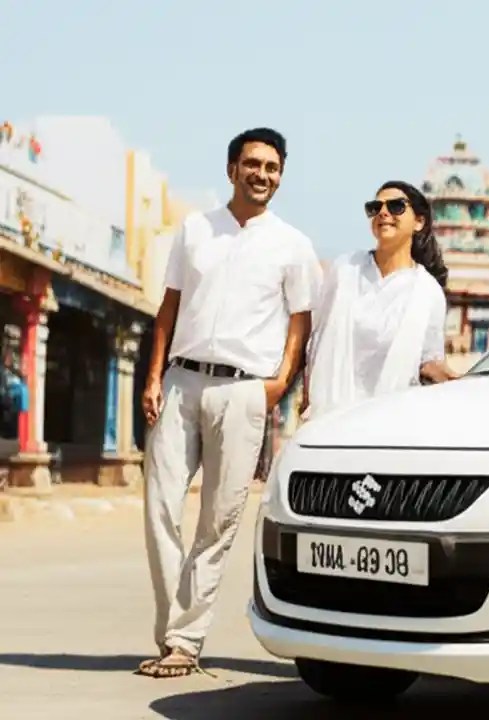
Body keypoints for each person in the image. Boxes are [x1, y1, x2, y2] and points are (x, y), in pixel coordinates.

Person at [137, 127, 320, 678]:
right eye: (252, 164)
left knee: (217, 521)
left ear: (280, 175)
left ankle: (183, 642)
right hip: (181, 382)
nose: (262, 174)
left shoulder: (293, 243)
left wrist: (281, 380)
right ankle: (174, 625)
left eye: (271, 167)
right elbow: (169, 307)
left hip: (244, 390)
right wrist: (153, 375)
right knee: (160, 507)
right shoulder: (195, 230)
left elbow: (300, 320)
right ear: (231, 169)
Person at [302, 180, 456, 421]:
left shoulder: (427, 291)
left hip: (389, 422)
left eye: (396, 206)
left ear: (419, 221)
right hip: (330, 417)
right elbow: (315, 340)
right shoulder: (346, 269)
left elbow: (428, 361)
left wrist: (465, 383)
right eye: (375, 207)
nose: (383, 213)